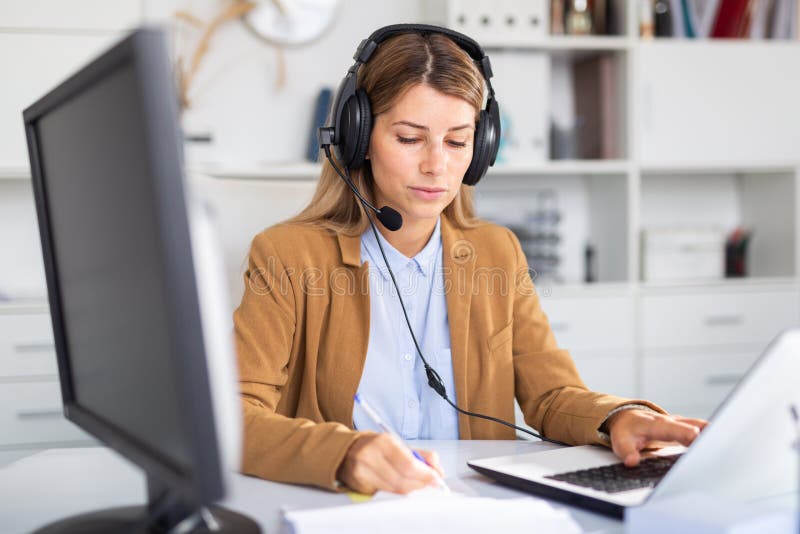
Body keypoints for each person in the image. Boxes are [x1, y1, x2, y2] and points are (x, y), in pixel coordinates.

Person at [234, 25, 707, 496]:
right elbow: (234, 415)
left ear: (480, 149)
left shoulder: (496, 252)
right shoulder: (288, 256)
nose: (436, 166)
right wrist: (344, 455)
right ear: (358, 137)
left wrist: (617, 417)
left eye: (458, 142)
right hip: (346, 508)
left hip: (472, 507)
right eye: (409, 139)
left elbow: (551, 394)